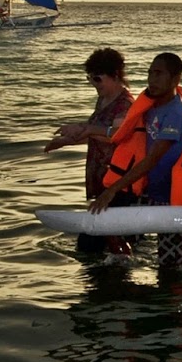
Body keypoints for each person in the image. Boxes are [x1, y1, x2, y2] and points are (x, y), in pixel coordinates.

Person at [90, 51, 182, 269]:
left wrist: (111, 190)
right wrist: (77, 135)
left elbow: (153, 159)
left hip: (170, 200)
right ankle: (125, 268)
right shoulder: (151, 107)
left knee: (172, 269)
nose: (152, 80)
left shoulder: (175, 114)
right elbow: (123, 135)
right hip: (147, 192)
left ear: (175, 79)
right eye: (150, 73)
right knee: (110, 232)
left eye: (159, 74)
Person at [44, 47, 135, 254]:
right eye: (90, 79)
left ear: (115, 75)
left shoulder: (125, 105)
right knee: (102, 238)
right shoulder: (104, 100)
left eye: (97, 79)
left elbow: (118, 135)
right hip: (100, 176)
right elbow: (96, 136)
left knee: (93, 240)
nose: (94, 84)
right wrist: (66, 141)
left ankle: (119, 271)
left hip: (116, 178)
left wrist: (84, 129)